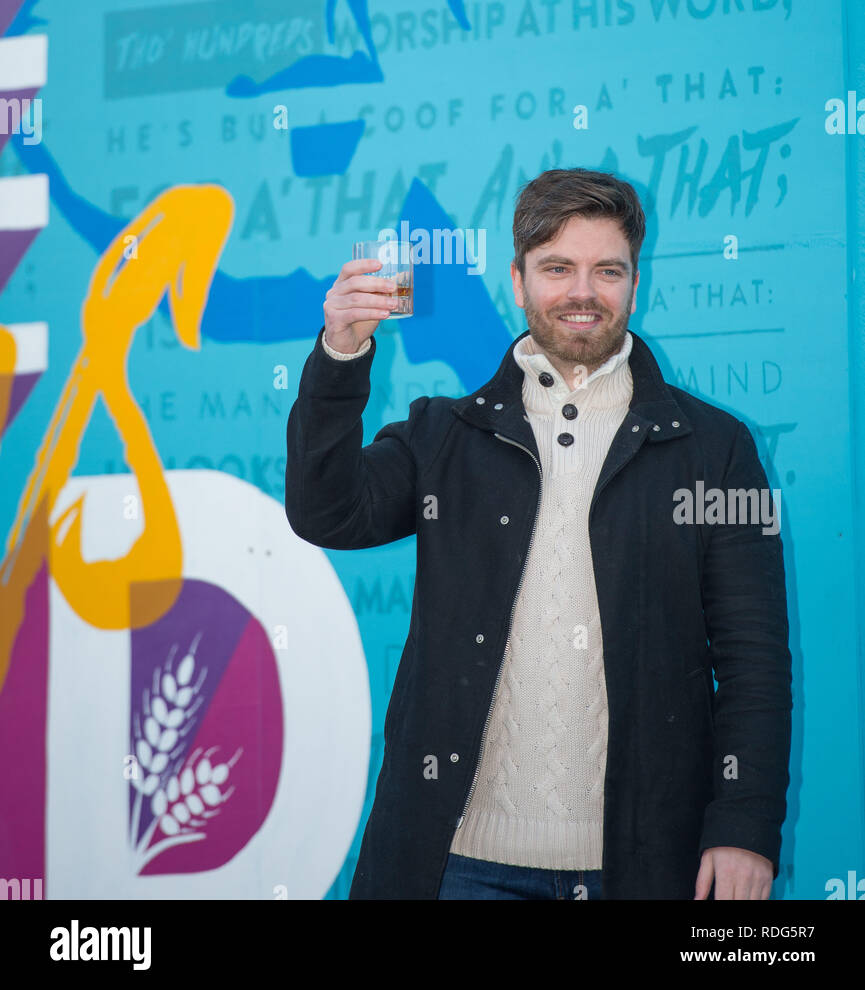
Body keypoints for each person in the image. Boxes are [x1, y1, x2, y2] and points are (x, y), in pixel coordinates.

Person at [284, 168, 792, 900]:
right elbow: (326, 512)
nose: (582, 292)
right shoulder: (443, 435)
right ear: (517, 284)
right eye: (557, 268)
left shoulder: (713, 447)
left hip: (645, 863)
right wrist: (339, 356)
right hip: (457, 862)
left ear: (632, 283)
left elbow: (752, 660)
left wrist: (745, 824)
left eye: (605, 271)